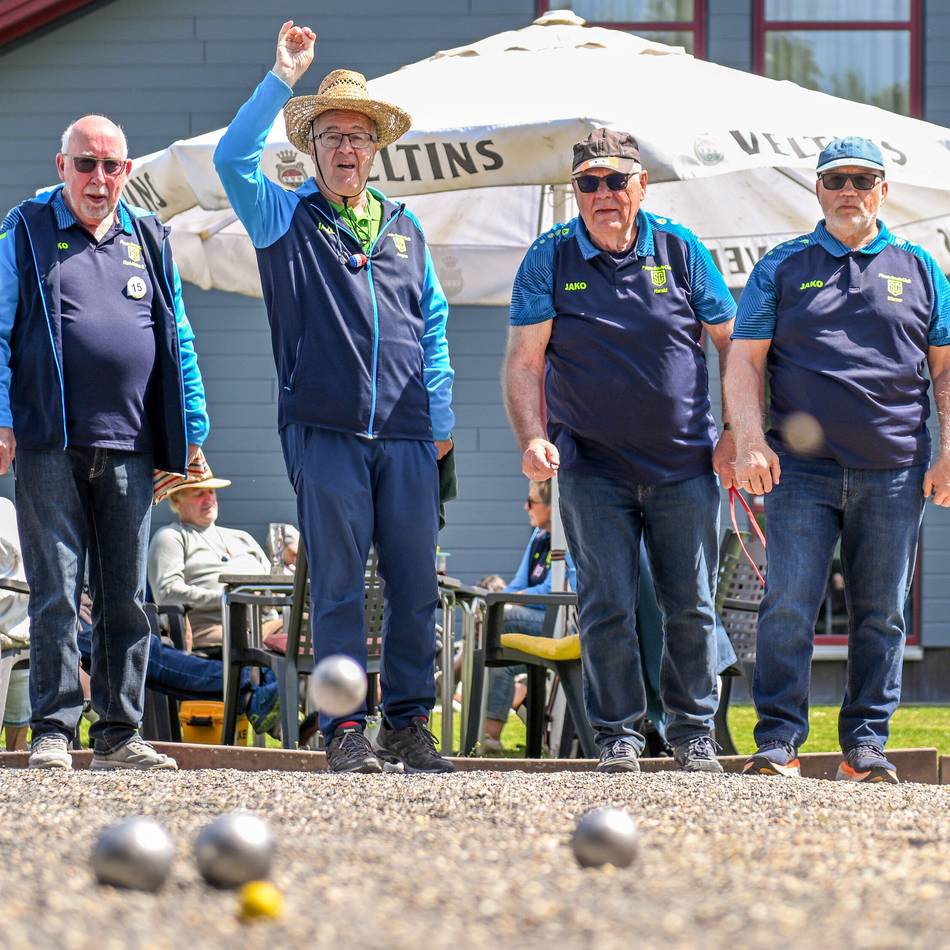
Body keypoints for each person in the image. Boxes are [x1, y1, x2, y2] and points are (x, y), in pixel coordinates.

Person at [214, 22, 455, 774]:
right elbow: (230, 157)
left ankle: (408, 726)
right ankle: (344, 729)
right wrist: (283, 77)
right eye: (331, 137)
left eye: (357, 136)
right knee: (341, 587)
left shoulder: (406, 227)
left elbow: (434, 323)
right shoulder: (282, 216)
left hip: (411, 433)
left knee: (416, 586)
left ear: (375, 147)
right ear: (310, 150)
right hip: (325, 428)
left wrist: (440, 415)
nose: (346, 149)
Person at [503, 128, 736, 774]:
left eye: (615, 181)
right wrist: (531, 438)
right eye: (588, 183)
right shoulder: (549, 258)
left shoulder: (681, 249)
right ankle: (619, 737)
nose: (603, 194)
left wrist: (739, 430)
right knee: (606, 604)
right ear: (575, 191)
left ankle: (691, 730)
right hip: (590, 467)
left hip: (683, 465)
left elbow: (731, 343)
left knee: (688, 601)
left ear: (642, 185)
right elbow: (523, 364)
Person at [727, 136, 950, 784]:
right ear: (818, 190)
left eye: (862, 179)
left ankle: (866, 748)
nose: (848, 191)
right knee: (789, 605)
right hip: (802, 473)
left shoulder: (921, 268)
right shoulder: (784, 266)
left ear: (884, 189)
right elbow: (744, 360)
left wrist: (947, 455)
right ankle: (778, 745)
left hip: (896, 471)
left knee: (882, 613)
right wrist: (749, 441)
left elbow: (944, 371)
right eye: (835, 180)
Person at [0, 115, 209, 771]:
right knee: (57, 592)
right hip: (47, 441)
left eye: (111, 166)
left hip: (133, 446)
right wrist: (3, 418)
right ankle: (54, 731)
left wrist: (192, 427)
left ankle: (119, 734)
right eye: (85, 164)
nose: (98, 178)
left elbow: (179, 339)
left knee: (127, 598)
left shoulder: (149, 237)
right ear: (62, 167)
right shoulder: (26, 232)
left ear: (126, 173)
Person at [148, 457, 282, 653]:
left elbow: (276, 582)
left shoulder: (242, 537)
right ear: (177, 500)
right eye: (199, 493)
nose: (209, 498)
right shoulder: (172, 537)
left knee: (312, 625)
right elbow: (167, 593)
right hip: (216, 630)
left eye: (211, 491)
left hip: (268, 623)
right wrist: (229, 598)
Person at [483, 479, 576, 752]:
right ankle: (491, 739)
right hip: (539, 618)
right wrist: (500, 602)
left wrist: (508, 605)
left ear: (551, 506)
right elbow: (517, 583)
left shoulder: (567, 535)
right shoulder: (537, 537)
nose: (525, 507)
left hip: (566, 620)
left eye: (532, 501)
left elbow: (553, 590)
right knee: (502, 652)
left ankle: (451, 672)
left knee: (501, 620)